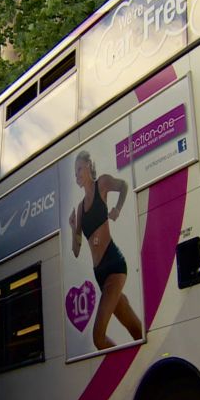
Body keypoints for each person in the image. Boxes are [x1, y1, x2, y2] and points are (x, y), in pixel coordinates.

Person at [68, 150, 143, 351]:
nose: (77, 174)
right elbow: (76, 250)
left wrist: (117, 208)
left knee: (98, 338)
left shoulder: (102, 183)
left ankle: (125, 367)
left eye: (79, 169)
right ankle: (146, 355)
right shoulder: (80, 209)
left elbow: (124, 186)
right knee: (136, 330)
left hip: (113, 265)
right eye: (75, 172)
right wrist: (72, 228)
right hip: (100, 275)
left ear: (89, 166)